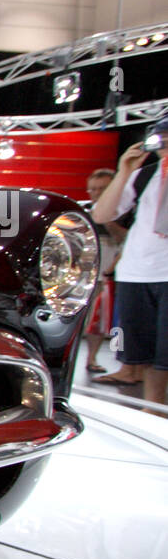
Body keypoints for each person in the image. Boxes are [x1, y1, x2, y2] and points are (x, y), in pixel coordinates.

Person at [90, 119, 168, 405]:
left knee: (165, 354)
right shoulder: (145, 175)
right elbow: (101, 214)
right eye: (160, 137)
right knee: (142, 352)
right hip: (136, 273)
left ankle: (159, 410)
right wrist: (124, 172)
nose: (163, 143)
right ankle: (154, 409)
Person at [82, 167, 123, 374]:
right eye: (93, 189)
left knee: (101, 322)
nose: (96, 193)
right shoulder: (81, 213)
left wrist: (106, 218)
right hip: (83, 276)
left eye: (102, 189)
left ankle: (92, 359)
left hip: (108, 276)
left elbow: (124, 241)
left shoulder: (124, 212)